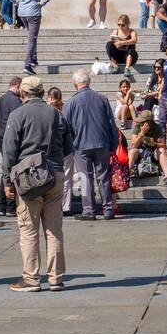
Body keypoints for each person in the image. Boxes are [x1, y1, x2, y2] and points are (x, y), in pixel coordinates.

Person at [1, 75, 72, 290]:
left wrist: (7, 180)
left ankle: (31, 279)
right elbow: (69, 145)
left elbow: (9, 151)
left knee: (28, 229)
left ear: (22, 93)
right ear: (42, 92)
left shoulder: (18, 114)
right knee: (54, 230)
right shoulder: (57, 114)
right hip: (55, 174)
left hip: (29, 177)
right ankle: (56, 278)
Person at [62, 69, 117, 221]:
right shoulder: (102, 99)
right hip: (102, 143)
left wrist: (68, 147)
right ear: (89, 82)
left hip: (80, 146)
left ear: (75, 84)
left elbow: (65, 128)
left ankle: (89, 210)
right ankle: (108, 209)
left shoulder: (71, 103)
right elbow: (111, 124)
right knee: (104, 177)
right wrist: (113, 145)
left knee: (85, 178)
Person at [8, 0, 54, 72]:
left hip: (22, 12)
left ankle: (34, 58)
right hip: (33, 12)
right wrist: (43, 2)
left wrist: (16, 1)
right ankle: (27, 65)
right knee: (31, 39)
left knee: (32, 36)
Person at [0, 75, 23, 216]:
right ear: (17, 86)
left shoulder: (2, 98)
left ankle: (2, 206)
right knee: (12, 172)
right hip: (10, 140)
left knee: (6, 172)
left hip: (0, 138)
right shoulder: (16, 101)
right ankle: (10, 206)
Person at [129, 108, 167, 183]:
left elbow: (163, 145)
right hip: (140, 152)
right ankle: (127, 176)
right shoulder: (137, 126)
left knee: (162, 150)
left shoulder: (157, 128)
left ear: (149, 122)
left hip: (153, 153)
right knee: (132, 151)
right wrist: (141, 133)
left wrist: (154, 143)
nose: (140, 122)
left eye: (142, 121)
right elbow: (133, 145)